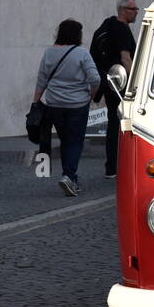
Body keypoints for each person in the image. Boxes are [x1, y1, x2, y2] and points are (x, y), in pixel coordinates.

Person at [33, 18, 100, 197]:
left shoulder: (49, 53)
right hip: (77, 104)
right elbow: (95, 79)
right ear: (77, 35)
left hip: (54, 104)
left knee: (66, 141)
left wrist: (35, 102)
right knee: (75, 142)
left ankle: (71, 178)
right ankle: (68, 176)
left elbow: (41, 80)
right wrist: (91, 96)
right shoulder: (82, 54)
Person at [88, 0, 138, 179]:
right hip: (123, 84)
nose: (137, 12)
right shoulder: (121, 29)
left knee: (113, 124)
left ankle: (112, 167)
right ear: (123, 10)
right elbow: (126, 58)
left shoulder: (106, 26)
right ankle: (121, 166)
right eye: (133, 9)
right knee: (124, 124)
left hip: (109, 84)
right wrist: (136, 83)